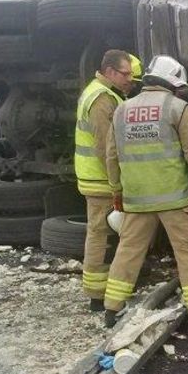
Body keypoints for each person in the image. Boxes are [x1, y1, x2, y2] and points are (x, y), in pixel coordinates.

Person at [103, 55, 188, 330]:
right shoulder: (177, 108)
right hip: (175, 199)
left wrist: (117, 190)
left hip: (136, 199)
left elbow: (111, 156)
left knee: (129, 251)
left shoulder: (122, 110)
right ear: (173, 83)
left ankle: (112, 308)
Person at [75, 50, 141, 311]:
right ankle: (98, 296)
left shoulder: (99, 92)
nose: (131, 81)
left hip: (96, 178)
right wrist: (119, 183)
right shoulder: (103, 99)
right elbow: (107, 148)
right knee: (100, 235)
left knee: (100, 234)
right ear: (111, 71)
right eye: (126, 75)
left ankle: (99, 293)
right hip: (101, 181)